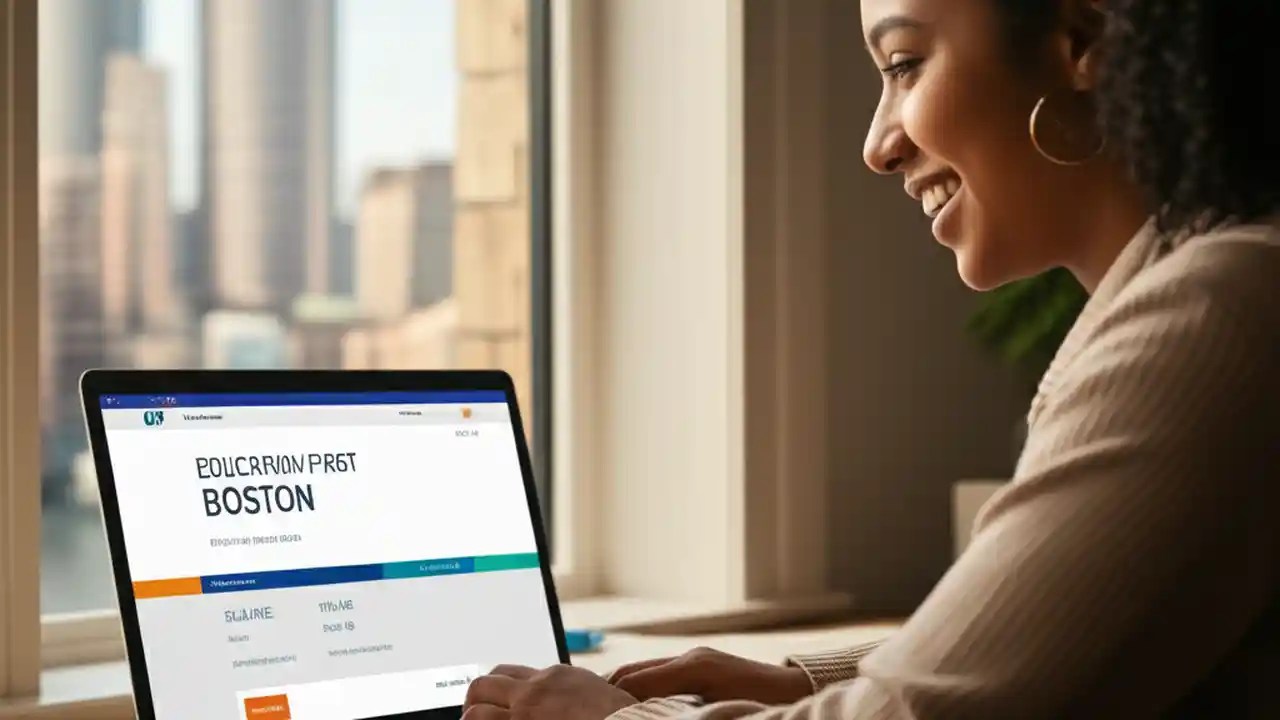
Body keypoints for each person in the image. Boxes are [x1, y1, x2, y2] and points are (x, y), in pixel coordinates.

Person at [462, 0, 1280, 717]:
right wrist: (808, 682)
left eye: (905, 65)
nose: (877, 145)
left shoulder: (1218, 309)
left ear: (1079, 40)